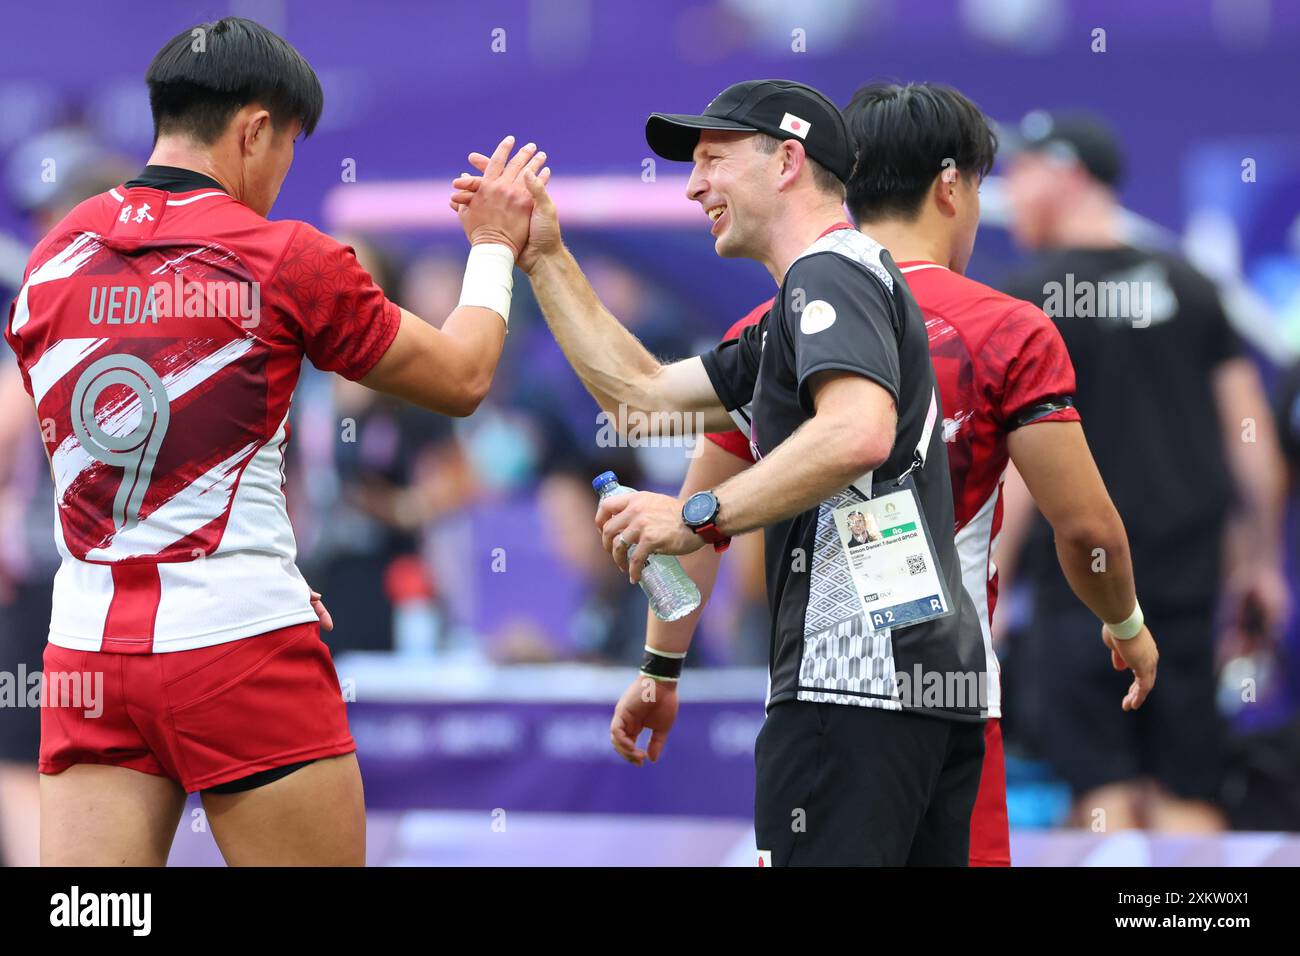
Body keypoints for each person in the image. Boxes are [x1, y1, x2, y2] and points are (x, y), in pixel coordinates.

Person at [5, 16, 544, 866]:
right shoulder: (283, 257)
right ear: (255, 129)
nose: (285, 173)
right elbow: (465, 377)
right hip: (241, 646)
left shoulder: (50, 262)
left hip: (87, 655)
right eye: (290, 147)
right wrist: (491, 248)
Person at [607, 82, 1161, 866]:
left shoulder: (774, 326)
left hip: (826, 703)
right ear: (951, 186)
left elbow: (699, 527)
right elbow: (1087, 528)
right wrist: (1127, 622)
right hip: (953, 702)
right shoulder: (1008, 330)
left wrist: (660, 666)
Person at [454, 79, 990, 866]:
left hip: (849, 695)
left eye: (714, 160)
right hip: (915, 691)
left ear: (788, 163)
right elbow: (640, 397)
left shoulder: (826, 277)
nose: (694, 184)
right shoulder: (802, 309)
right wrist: (543, 255)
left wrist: (695, 514)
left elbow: (858, 433)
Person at [999, 110, 1287, 831]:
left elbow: (1024, 459)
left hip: (1082, 587)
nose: (1008, 194)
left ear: (1067, 176)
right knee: (1188, 788)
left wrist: (989, 584)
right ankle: (1188, 914)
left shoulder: (1031, 297)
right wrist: (1262, 564)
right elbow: (1251, 445)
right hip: (1186, 584)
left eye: (1021, 175)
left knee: (1102, 793)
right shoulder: (1190, 283)